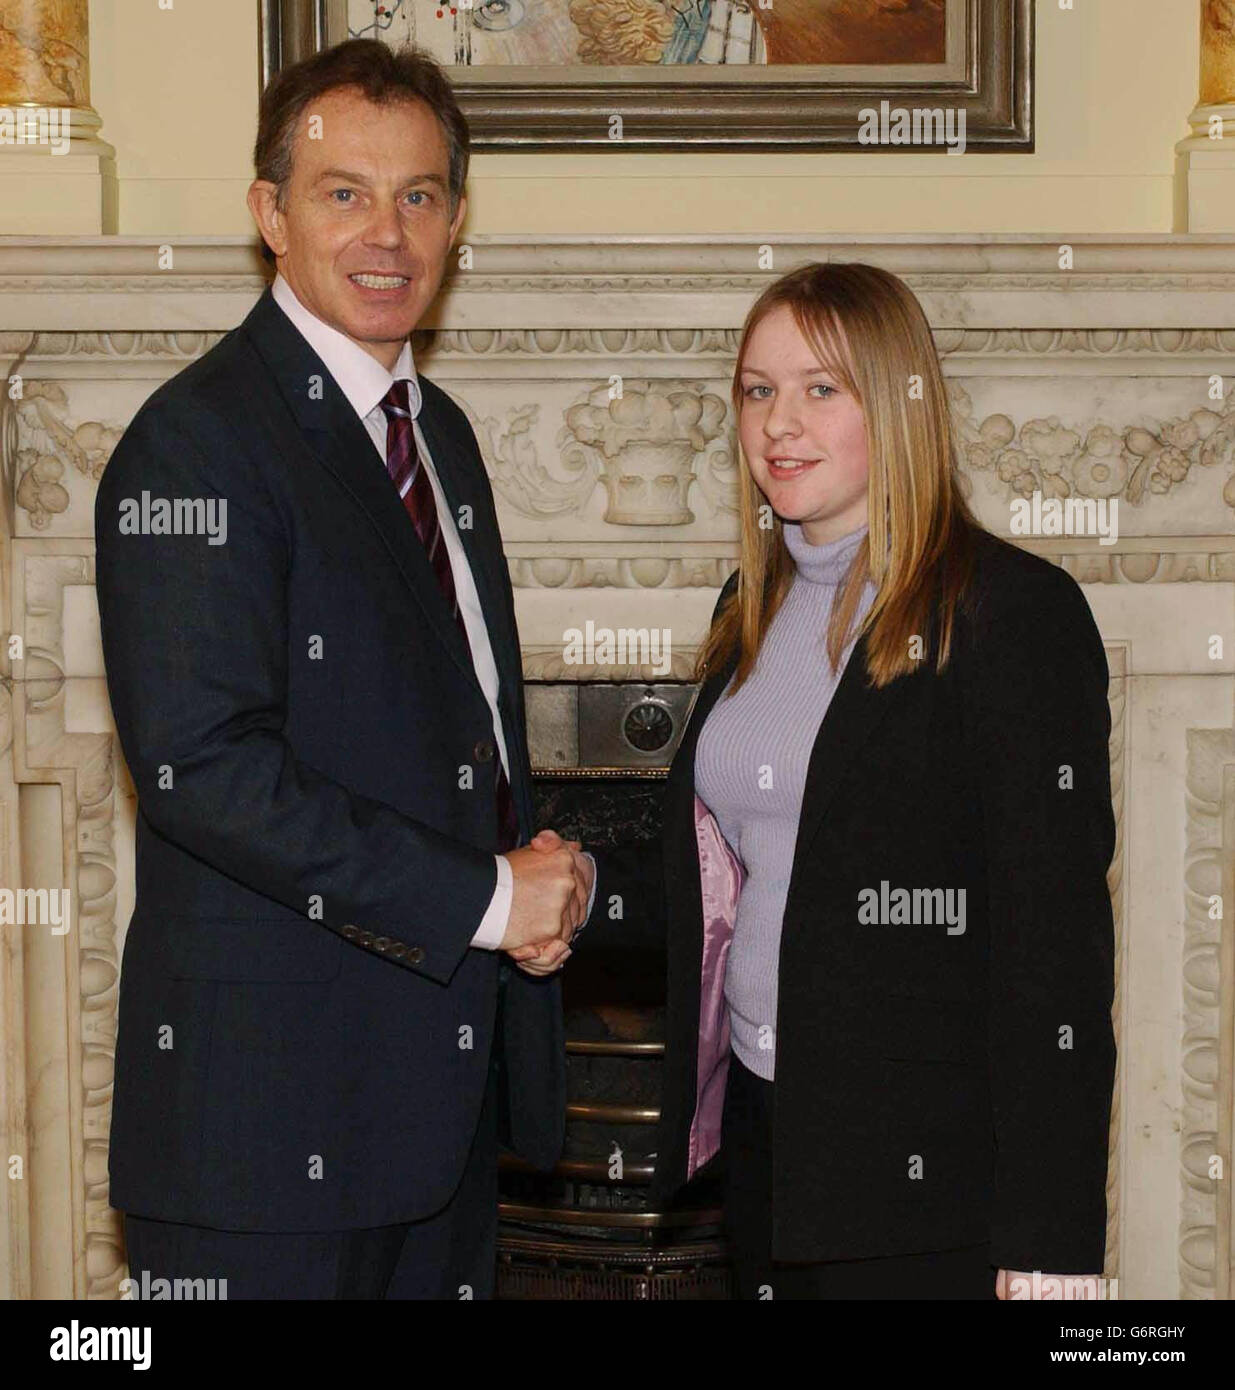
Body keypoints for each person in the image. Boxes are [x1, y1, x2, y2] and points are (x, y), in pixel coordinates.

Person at [95, 39, 592, 1300]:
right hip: (264, 1151)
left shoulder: (445, 439)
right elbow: (204, 771)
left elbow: (452, 731)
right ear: (269, 214)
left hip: (435, 1131)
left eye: (420, 194)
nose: (389, 232)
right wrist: (484, 899)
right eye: (343, 192)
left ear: (458, 220)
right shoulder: (193, 448)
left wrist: (539, 877)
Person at [532, 261, 1117, 1299]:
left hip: (923, 1183)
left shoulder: (1010, 615)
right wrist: (576, 882)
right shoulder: (747, 603)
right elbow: (721, 875)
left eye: (819, 388)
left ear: (897, 403)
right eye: (757, 390)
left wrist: (1050, 1242)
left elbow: (1055, 958)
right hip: (762, 1142)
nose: (777, 424)